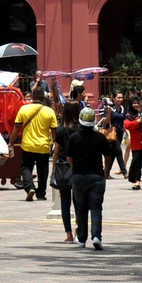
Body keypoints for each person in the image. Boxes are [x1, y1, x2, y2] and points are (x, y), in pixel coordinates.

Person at [62, 106, 117, 249]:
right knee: (96, 207)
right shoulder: (100, 137)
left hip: (78, 176)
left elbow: (69, 158)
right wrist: (105, 171)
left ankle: (81, 238)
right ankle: (96, 236)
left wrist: (75, 168)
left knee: (81, 209)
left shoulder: (74, 137)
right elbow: (108, 156)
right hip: (97, 176)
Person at [14, 87, 58, 202]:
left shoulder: (24, 109)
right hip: (43, 146)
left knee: (26, 167)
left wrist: (11, 141)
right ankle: (41, 193)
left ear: (32, 97)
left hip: (28, 145)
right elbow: (54, 131)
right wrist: (56, 144)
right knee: (42, 170)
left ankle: (30, 187)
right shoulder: (50, 111)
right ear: (43, 98)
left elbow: (17, 127)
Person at [50, 101, 82, 242]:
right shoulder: (81, 129)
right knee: (79, 201)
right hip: (78, 166)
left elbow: (56, 152)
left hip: (63, 167)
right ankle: (79, 229)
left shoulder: (61, 129)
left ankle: (68, 234)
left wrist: (53, 169)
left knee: (65, 202)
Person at [124, 104, 142, 189]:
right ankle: (137, 182)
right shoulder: (129, 115)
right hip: (136, 144)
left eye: (137, 103)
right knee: (136, 163)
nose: (136, 105)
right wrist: (138, 122)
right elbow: (127, 125)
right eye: (134, 102)